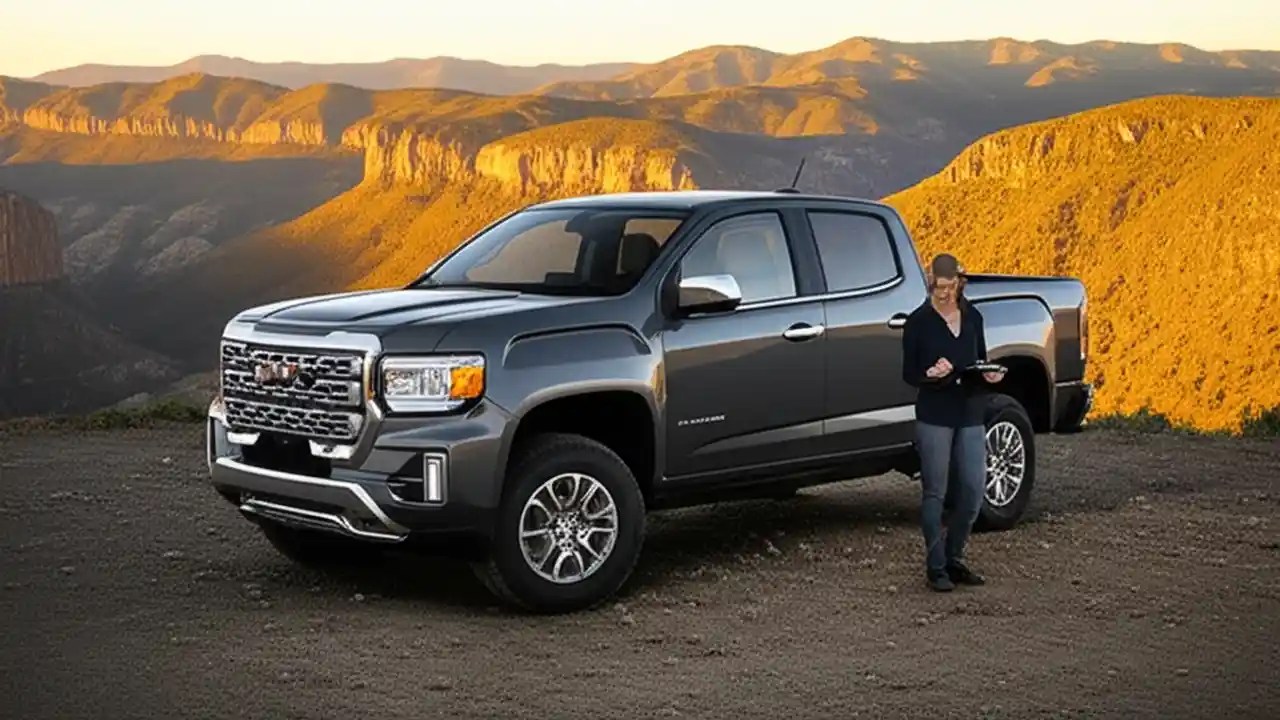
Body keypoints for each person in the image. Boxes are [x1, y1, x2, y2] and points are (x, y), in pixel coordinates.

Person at [900, 253, 1006, 592]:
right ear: (931, 283)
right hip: (935, 414)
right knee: (936, 491)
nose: (945, 293)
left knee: (973, 490)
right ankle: (936, 568)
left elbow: (979, 360)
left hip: (970, 411)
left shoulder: (973, 317)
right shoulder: (918, 322)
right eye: (939, 287)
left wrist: (988, 375)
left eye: (951, 286)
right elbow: (909, 373)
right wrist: (930, 374)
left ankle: (954, 557)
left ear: (960, 283)